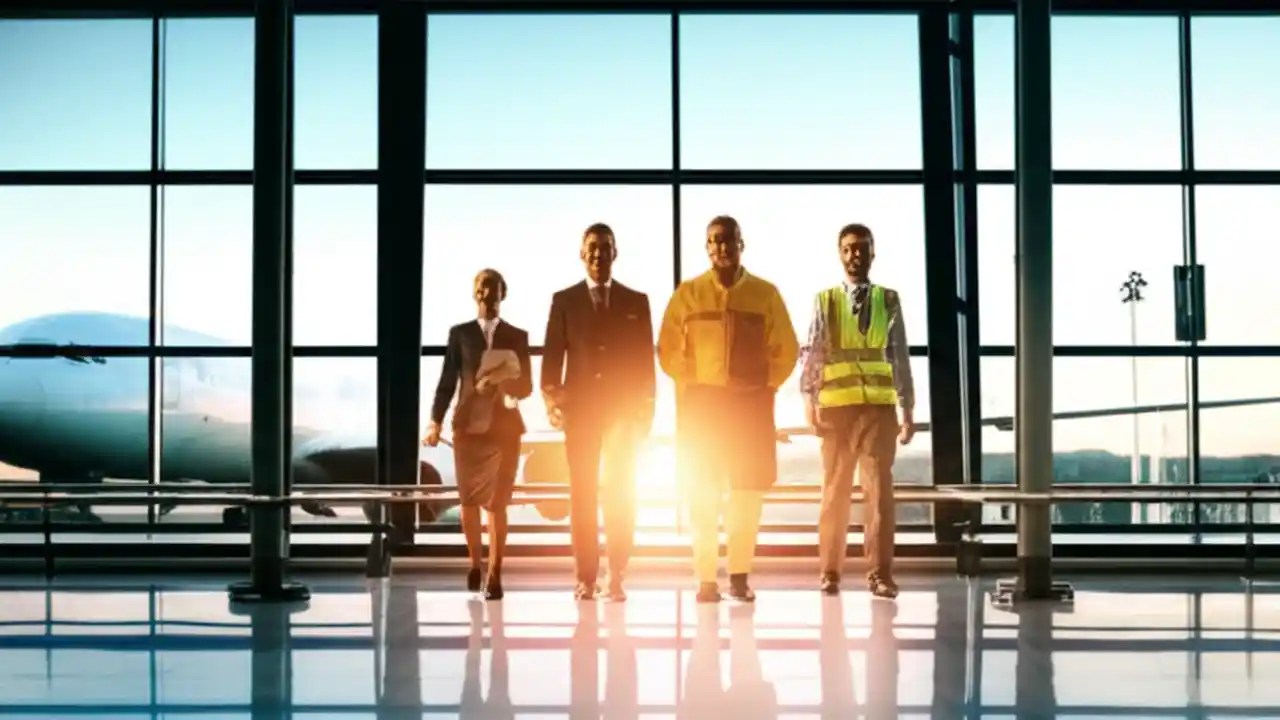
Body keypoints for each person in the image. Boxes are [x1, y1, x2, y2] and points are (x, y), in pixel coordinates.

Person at [657, 215, 799, 603]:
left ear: (741, 244)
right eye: (714, 241)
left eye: (729, 240)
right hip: (702, 411)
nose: (722, 247)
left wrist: (762, 385)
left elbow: (787, 350)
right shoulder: (688, 294)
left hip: (749, 409)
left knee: (746, 494)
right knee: (702, 494)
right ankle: (706, 580)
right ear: (707, 247)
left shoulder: (765, 295)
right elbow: (667, 349)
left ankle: (739, 577)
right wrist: (696, 383)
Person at [542, 222, 656, 602]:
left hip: (623, 413)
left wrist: (647, 408)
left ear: (614, 253)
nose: (598, 253)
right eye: (592, 246)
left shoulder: (636, 301)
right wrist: (552, 401)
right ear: (582, 253)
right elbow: (551, 359)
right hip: (580, 412)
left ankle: (617, 572)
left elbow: (645, 361)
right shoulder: (564, 301)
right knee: (583, 493)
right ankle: (586, 577)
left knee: (622, 491)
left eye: (605, 246)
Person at [800, 223, 915, 599]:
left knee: (879, 493)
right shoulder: (826, 301)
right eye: (849, 249)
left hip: (878, 412)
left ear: (872, 252)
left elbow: (899, 354)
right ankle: (829, 572)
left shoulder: (888, 300)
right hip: (836, 412)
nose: (856, 255)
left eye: (862, 248)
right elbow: (814, 352)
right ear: (840, 254)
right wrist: (809, 401)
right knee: (834, 493)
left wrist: (907, 408)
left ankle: (880, 574)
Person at [424, 268, 532, 601]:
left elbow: (526, 385)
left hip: (504, 429)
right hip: (468, 428)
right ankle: (475, 564)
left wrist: (502, 383)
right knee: (469, 501)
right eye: (483, 288)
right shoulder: (460, 334)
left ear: (503, 294)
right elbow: (447, 381)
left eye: (494, 288)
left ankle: (496, 574)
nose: (488, 294)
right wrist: (435, 421)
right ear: (475, 294)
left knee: (497, 503)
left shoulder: (517, 336)